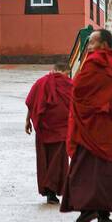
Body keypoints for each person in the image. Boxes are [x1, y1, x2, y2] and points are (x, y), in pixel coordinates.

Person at [61, 28, 112, 222]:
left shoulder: (91, 64)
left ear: (103, 45)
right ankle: (104, 216)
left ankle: (87, 209)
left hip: (89, 127)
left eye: (92, 42)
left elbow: (77, 93)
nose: (89, 47)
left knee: (85, 169)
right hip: (111, 127)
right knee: (108, 171)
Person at [24, 62, 73, 203]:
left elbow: (32, 103)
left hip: (44, 127)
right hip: (61, 128)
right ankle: (51, 190)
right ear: (66, 71)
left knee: (44, 158)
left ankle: (49, 190)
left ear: (53, 70)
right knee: (58, 160)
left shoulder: (41, 82)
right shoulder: (69, 83)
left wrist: (28, 121)